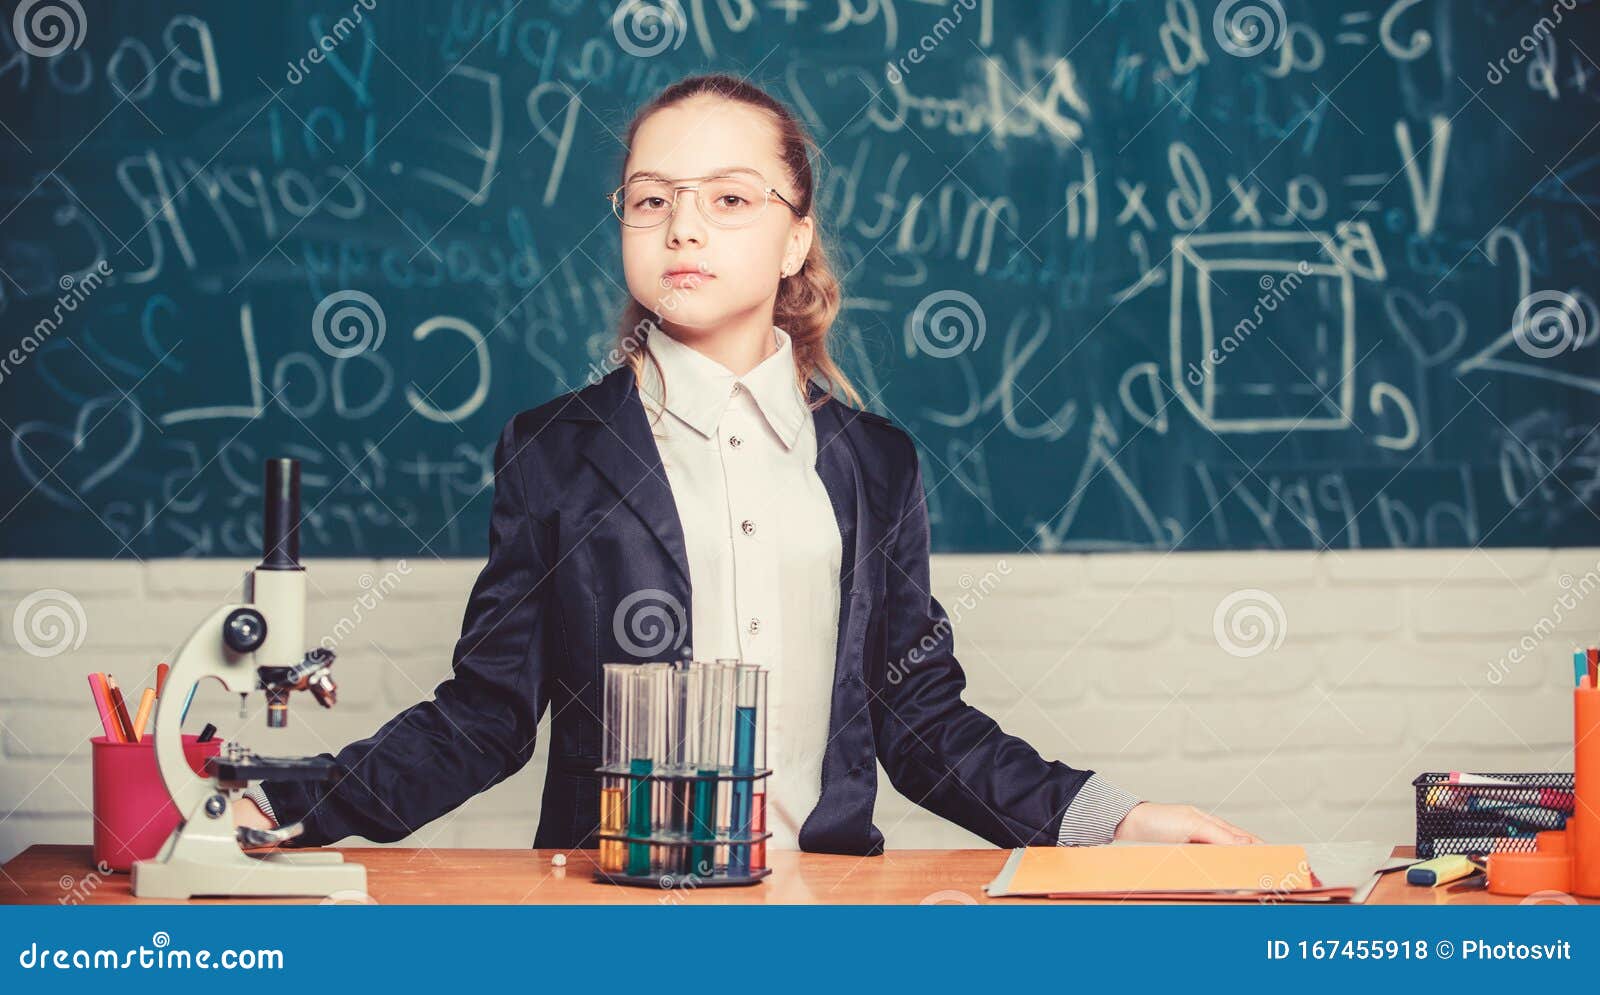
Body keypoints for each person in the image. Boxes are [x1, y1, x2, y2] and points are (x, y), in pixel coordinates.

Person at [240, 73, 1262, 854]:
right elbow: (487, 713)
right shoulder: (553, 448)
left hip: (825, 907)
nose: (682, 224)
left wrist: (1108, 820)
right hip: (611, 908)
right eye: (650, 200)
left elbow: (921, 721)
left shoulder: (875, 464)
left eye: (730, 198)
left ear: (793, 240)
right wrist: (284, 797)